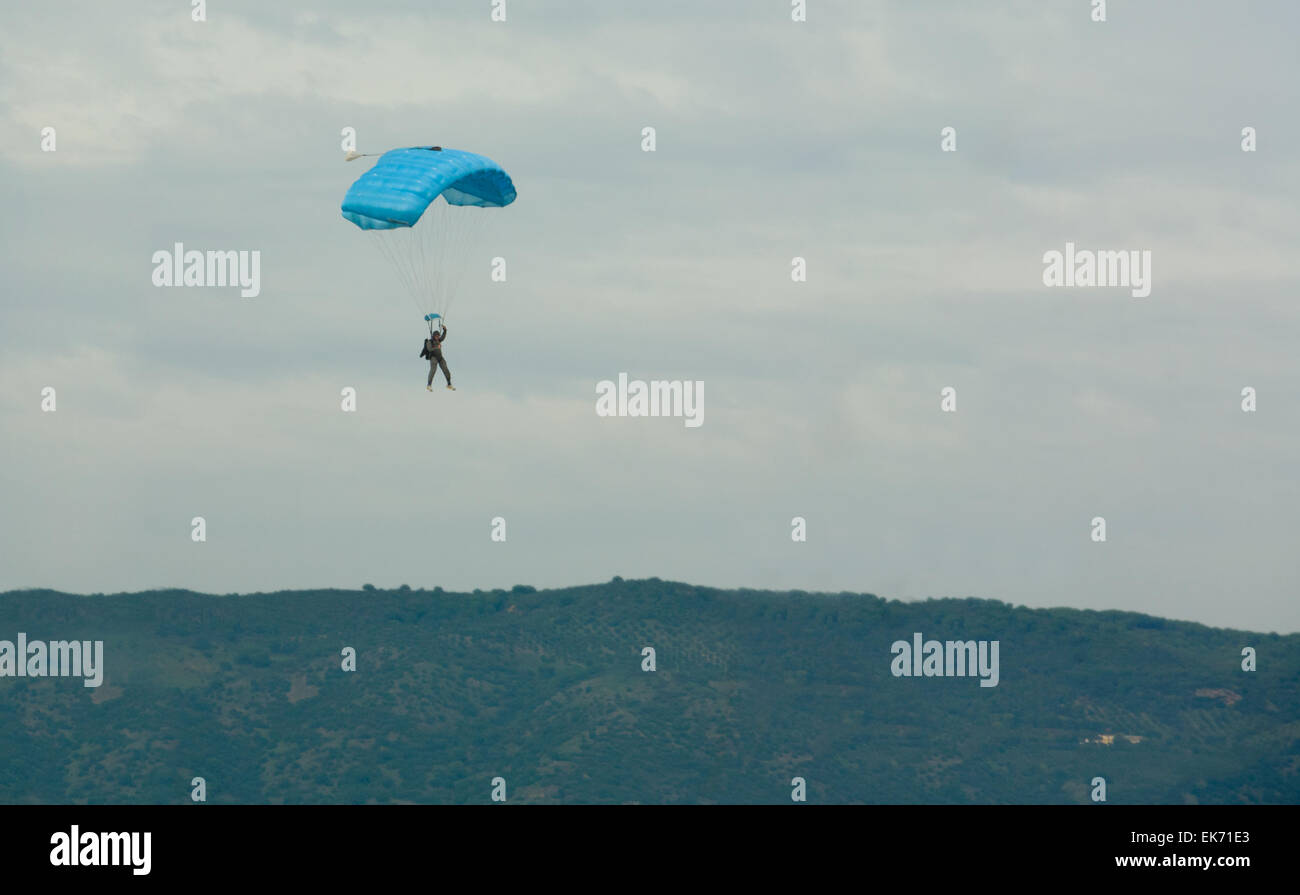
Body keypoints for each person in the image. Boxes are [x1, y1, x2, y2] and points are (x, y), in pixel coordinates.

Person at [420, 323, 454, 391]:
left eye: (438, 336)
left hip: (440, 358)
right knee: (433, 370)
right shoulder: (429, 342)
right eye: (436, 336)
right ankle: (429, 385)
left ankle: (449, 384)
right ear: (433, 336)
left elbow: (443, 337)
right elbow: (429, 349)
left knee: (446, 370)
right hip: (433, 358)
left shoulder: (438, 340)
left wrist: (445, 330)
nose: (437, 337)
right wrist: (437, 347)